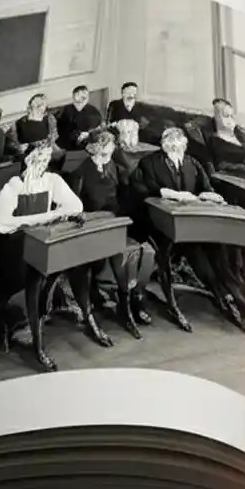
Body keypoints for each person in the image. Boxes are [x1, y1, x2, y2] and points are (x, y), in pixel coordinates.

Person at [129, 126, 245, 335]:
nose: (177, 151)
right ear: (164, 147)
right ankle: (203, 298)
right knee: (184, 252)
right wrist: (172, 194)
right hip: (162, 225)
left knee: (215, 251)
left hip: (194, 223)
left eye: (180, 147)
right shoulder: (150, 163)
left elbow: (206, 187)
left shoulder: (192, 163)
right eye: (172, 147)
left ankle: (234, 298)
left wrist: (212, 196)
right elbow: (144, 190)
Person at [0, 143, 102, 371]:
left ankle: (86, 313)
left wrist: (53, 216)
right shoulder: (14, 186)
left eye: (44, 161)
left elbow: (75, 205)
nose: (41, 166)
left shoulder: (52, 180)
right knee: (34, 274)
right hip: (16, 245)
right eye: (37, 161)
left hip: (44, 238)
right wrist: (44, 217)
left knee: (78, 264)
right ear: (27, 161)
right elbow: (1, 223)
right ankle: (36, 338)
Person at [76, 129, 154, 340]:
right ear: (93, 150)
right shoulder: (80, 172)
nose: (106, 158)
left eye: (109, 153)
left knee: (140, 253)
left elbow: (126, 198)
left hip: (117, 223)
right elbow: (77, 208)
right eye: (102, 154)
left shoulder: (116, 169)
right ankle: (103, 302)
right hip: (93, 228)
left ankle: (129, 302)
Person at [57, 85, 105, 151]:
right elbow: (60, 132)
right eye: (77, 99)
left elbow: (99, 130)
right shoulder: (65, 111)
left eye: (84, 98)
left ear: (87, 98)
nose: (80, 102)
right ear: (73, 97)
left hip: (88, 147)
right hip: (68, 148)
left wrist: (89, 134)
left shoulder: (94, 113)